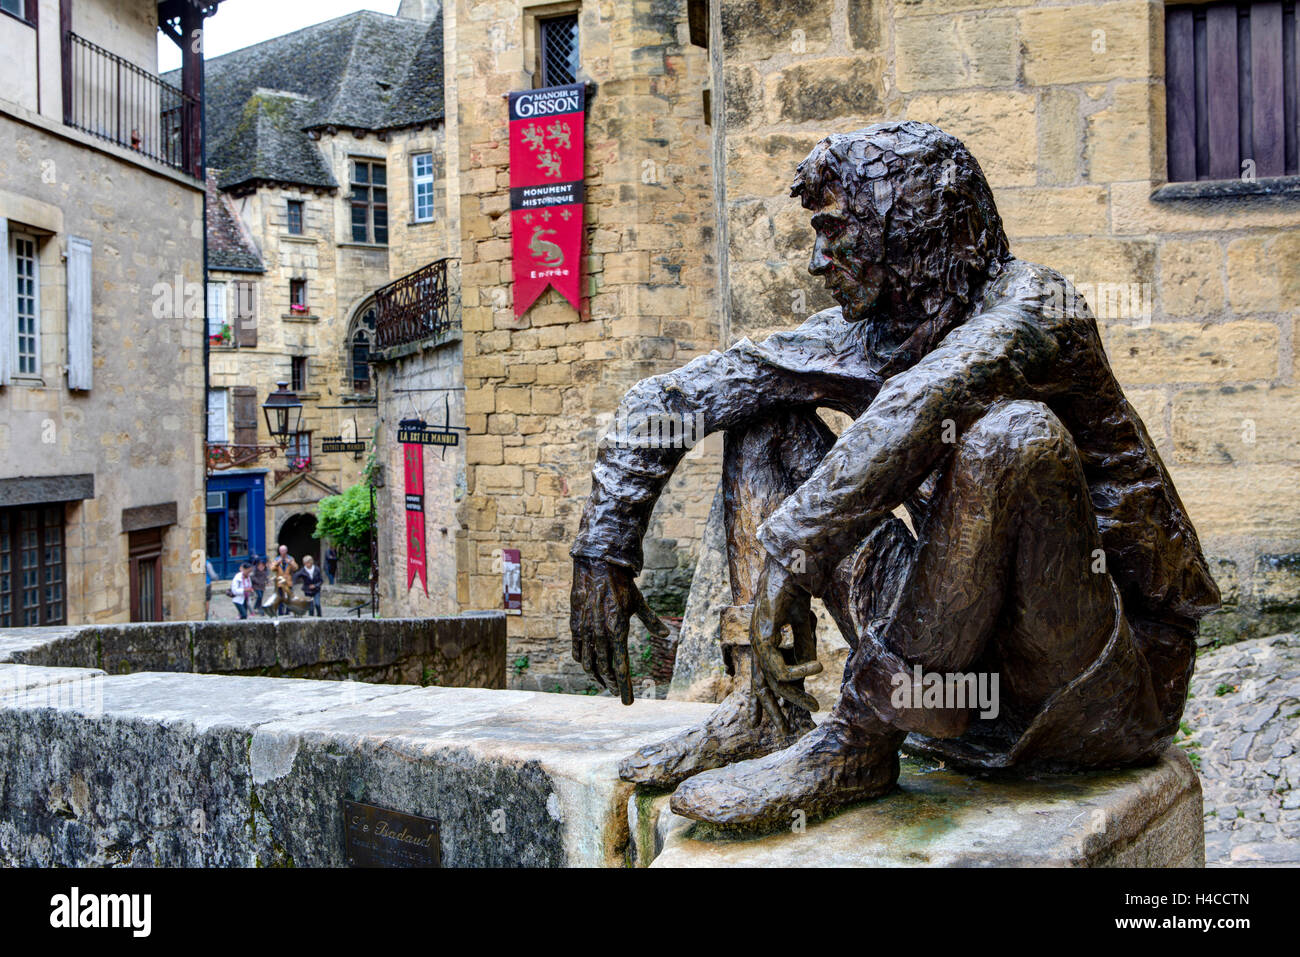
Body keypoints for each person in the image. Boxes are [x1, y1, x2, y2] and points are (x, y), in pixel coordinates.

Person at [568, 122, 1220, 829]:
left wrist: (796, 546)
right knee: (767, 415)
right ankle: (767, 708)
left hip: (1096, 685)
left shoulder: (1037, 305)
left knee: (1012, 438)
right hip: (959, 681)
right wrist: (603, 550)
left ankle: (859, 739)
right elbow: (667, 399)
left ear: (905, 223)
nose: (818, 262)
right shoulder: (862, 334)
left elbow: (927, 396)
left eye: (834, 233)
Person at [271, 545, 298, 616]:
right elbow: (272, 568)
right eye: (281, 551)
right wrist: (277, 563)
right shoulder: (276, 559)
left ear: (286, 551)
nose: (282, 552)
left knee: (289, 596)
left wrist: (290, 563)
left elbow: (295, 568)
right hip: (280, 581)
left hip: (288, 581)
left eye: (284, 550)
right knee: (280, 596)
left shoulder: (291, 558)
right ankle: (280, 612)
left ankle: (288, 611)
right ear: (279, 551)